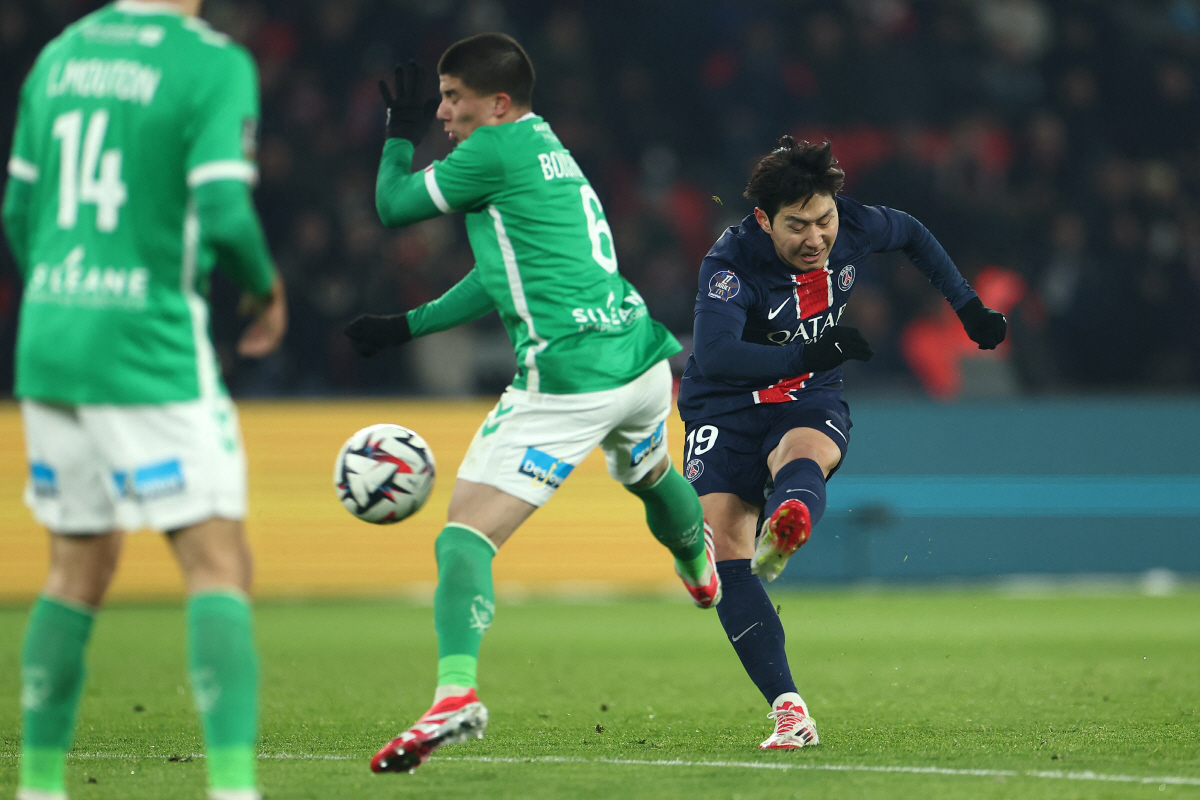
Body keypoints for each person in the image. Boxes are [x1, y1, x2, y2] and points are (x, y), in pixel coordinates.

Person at [342, 33, 718, 774]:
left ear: (499, 103)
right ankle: (697, 561)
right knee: (646, 475)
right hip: (640, 354)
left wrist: (397, 134)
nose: (443, 112)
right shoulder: (545, 146)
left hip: (570, 378)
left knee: (463, 539)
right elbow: (501, 273)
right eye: (439, 99)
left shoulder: (490, 151)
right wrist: (408, 325)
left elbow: (391, 207)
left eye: (454, 98)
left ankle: (455, 693)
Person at [2, 2, 286, 798]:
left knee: (75, 569)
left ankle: (38, 787)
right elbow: (226, 213)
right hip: (148, 344)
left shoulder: (60, 56)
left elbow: (18, 213)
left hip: (52, 341)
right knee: (217, 563)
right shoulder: (210, 63)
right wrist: (266, 292)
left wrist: (68, 292)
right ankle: (233, 789)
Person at [678, 136, 1006, 749]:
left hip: (807, 392)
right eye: (797, 226)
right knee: (727, 556)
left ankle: (790, 516)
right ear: (762, 220)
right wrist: (811, 350)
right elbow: (718, 353)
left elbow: (909, 231)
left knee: (804, 454)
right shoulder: (730, 261)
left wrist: (967, 306)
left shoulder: (854, 223)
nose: (817, 238)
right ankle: (788, 704)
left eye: (824, 220)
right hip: (725, 402)